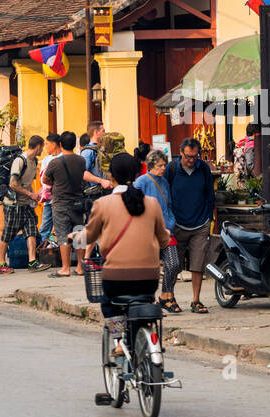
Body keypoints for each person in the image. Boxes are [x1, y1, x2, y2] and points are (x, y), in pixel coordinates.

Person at [81, 152, 169, 351]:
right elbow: (164, 240)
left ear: (111, 176)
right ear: (138, 175)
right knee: (143, 299)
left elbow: (88, 236)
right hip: (149, 278)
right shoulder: (152, 203)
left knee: (108, 302)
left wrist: (72, 237)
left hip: (116, 278)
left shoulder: (102, 204)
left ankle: (119, 340)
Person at [44, 130, 112, 277]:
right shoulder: (81, 160)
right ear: (75, 144)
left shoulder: (55, 162)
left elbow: (44, 179)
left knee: (63, 235)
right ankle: (80, 267)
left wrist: (54, 182)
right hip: (78, 202)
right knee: (79, 233)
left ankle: (65, 268)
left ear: (60, 144)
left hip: (61, 202)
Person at [166, 137, 215, 314]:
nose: (191, 160)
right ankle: (169, 297)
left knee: (198, 263)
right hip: (177, 224)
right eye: (188, 156)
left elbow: (210, 194)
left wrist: (209, 218)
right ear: (181, 153)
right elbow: (165, 194)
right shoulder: (171, 169)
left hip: (200, 223)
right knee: (173, 264)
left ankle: (196, 300)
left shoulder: (203, 169)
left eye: (195, 156)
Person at [0, 136, 50, 275]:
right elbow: (13, 184)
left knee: (31, 230)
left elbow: (28, 183)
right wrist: (30, 194)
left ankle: (32, 261)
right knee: (8, 233)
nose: (42, 149)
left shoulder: (34, 161)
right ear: (38, 146)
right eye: (42, 146)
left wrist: (33, 196)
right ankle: (1, 263)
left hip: (26, 204)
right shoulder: (20, 161)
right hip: (13, 204)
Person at [135, 150, 180, 313]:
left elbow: (168, 204)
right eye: (160, 165)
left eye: (164, 165)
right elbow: (135, 206)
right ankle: (150, 298)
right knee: (151, 267)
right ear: (151, 166)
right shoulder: (141, 182)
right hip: (148, 231)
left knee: (174, 264)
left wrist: (171, 220)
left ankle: (166, 294)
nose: (163, 168)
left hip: (167, 229)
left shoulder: (164, 182)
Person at [37, 133, 62, 245]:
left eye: (47, 144)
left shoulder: (62, 158)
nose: (45, 146)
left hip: (60, 199)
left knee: (60, 228)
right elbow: (43, 179)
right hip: (48, 199)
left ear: (54, 144)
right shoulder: (46, 159)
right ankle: (41, 252)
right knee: (44, 227)